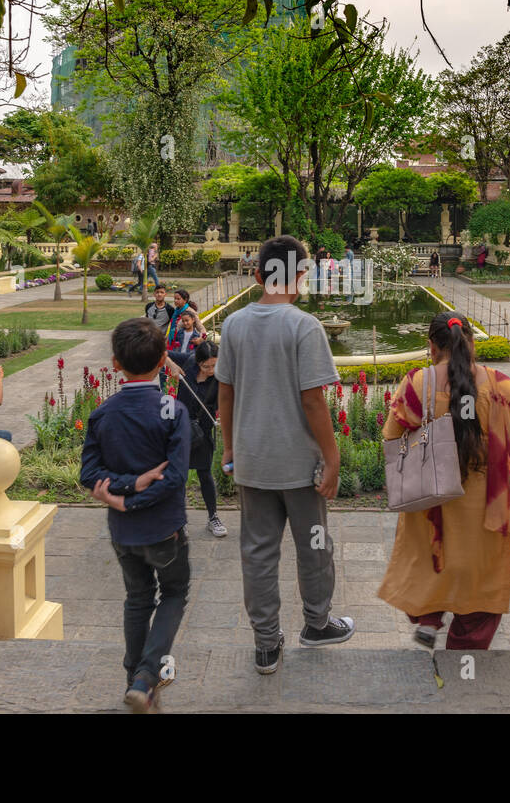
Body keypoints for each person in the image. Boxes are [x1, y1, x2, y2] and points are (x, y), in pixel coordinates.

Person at [377, 313, 510, 650]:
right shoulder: (504, 388)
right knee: (480, 589)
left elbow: (391, 435)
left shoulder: (418, 384)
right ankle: (465, 660)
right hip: (485, 509)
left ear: (432, 347)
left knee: (428, 565)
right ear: (472, 344)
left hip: (431, 503)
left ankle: (430, 620)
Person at [217, 235, 355, 675]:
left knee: (258, 553)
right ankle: (316, 624)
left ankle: (265, 646)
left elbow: (225, 392)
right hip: (299, 468)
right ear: (301, 276)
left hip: (253, 464)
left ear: (258, 275)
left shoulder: (234, 324)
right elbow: (313, 402)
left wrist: (230, 447)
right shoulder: (304, 326)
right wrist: (332, 460)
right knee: (314, 547)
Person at [80, 317, 191, 713]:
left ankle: (134, 678)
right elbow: (175, 477)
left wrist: (123, 492)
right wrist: (135, 492)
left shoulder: (104, 413)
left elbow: (89, 475)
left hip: (123, 532)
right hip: (163, 528)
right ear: (165, 359)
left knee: (138, 599)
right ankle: (146, 677)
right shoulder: (172, 410)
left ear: (114, 363)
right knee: (174, 593)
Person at [167, 340, 227, 538]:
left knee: (205, 473)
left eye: (214, 365)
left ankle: (213, 517)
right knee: (180, 476)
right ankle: (180, 520)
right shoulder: (187, 362)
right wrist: (171, 364)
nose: (211, 370)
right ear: (197, 362)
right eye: (206, 366)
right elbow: (158, 351)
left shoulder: (221, 377)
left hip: (203, 431)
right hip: (182, 428)